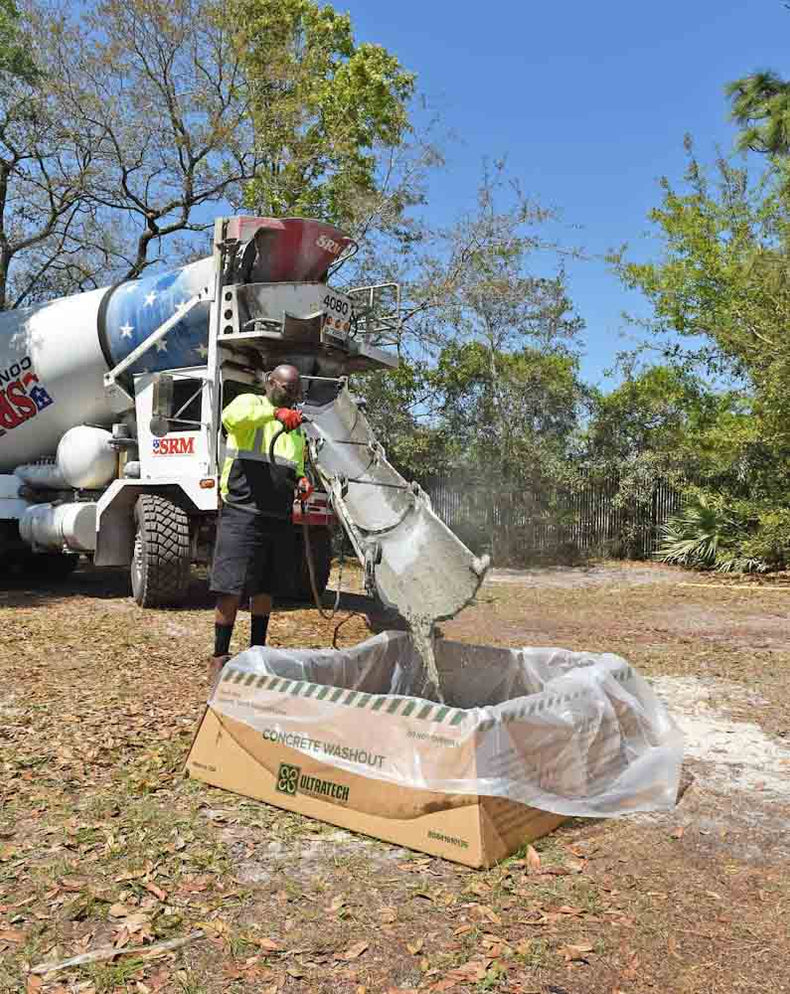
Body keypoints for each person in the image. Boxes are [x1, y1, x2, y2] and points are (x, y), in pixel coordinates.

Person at [208, 363, 313, 685]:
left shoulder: (294, 427)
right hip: (243, 511)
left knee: (266, 587)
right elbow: (233, 420)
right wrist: (274, 415)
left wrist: (301, 477)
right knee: (231, 587)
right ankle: (219, 659)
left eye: (295, 392)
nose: (291, 397)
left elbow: (293, 460)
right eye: (286, 389)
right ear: (270, 382)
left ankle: (257, 654)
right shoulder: (249, 404)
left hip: (277, 514)